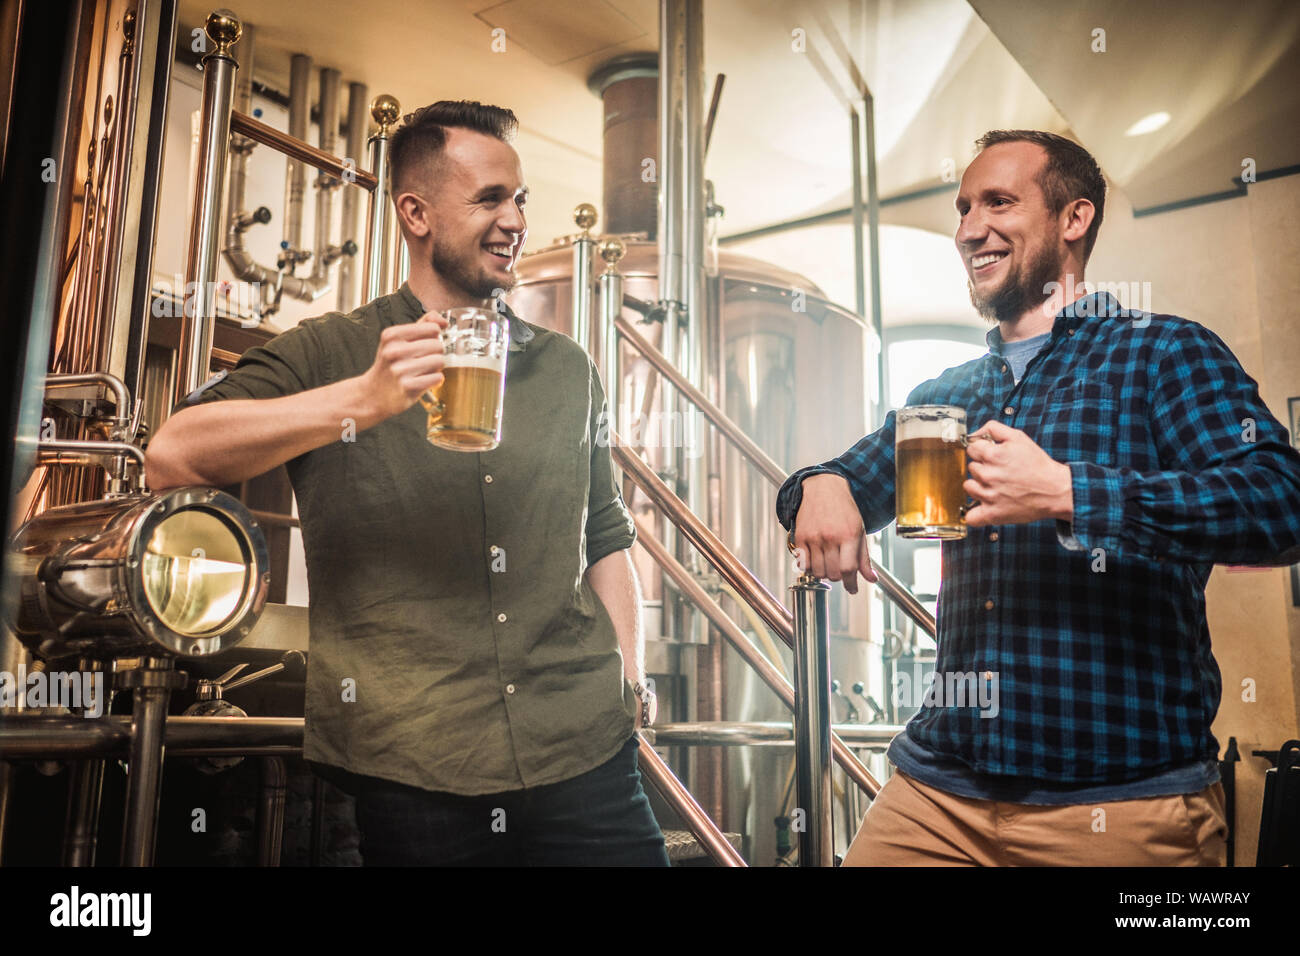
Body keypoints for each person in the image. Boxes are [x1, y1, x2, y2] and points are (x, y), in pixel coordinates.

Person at [145, 101, 668, 866]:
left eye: (520, 198)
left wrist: (628, 680)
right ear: (415, 213)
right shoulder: (334, 350)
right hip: (417, 763)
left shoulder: (567, 369)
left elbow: (606, 533)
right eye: (489, 198)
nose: (515, 219)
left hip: (583, 752)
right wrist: (361, 400)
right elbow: (174, 454)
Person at [778, 129, 1300, 866]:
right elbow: (836, 483)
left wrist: (1069, 491)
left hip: (1124, 802)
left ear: (1073, 218)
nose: (968, 229)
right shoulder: (945, 394)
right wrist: (818, 484)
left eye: (998, 202)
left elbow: (1280, 502)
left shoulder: (1162, 351)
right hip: (937, 795)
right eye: (963, 208)